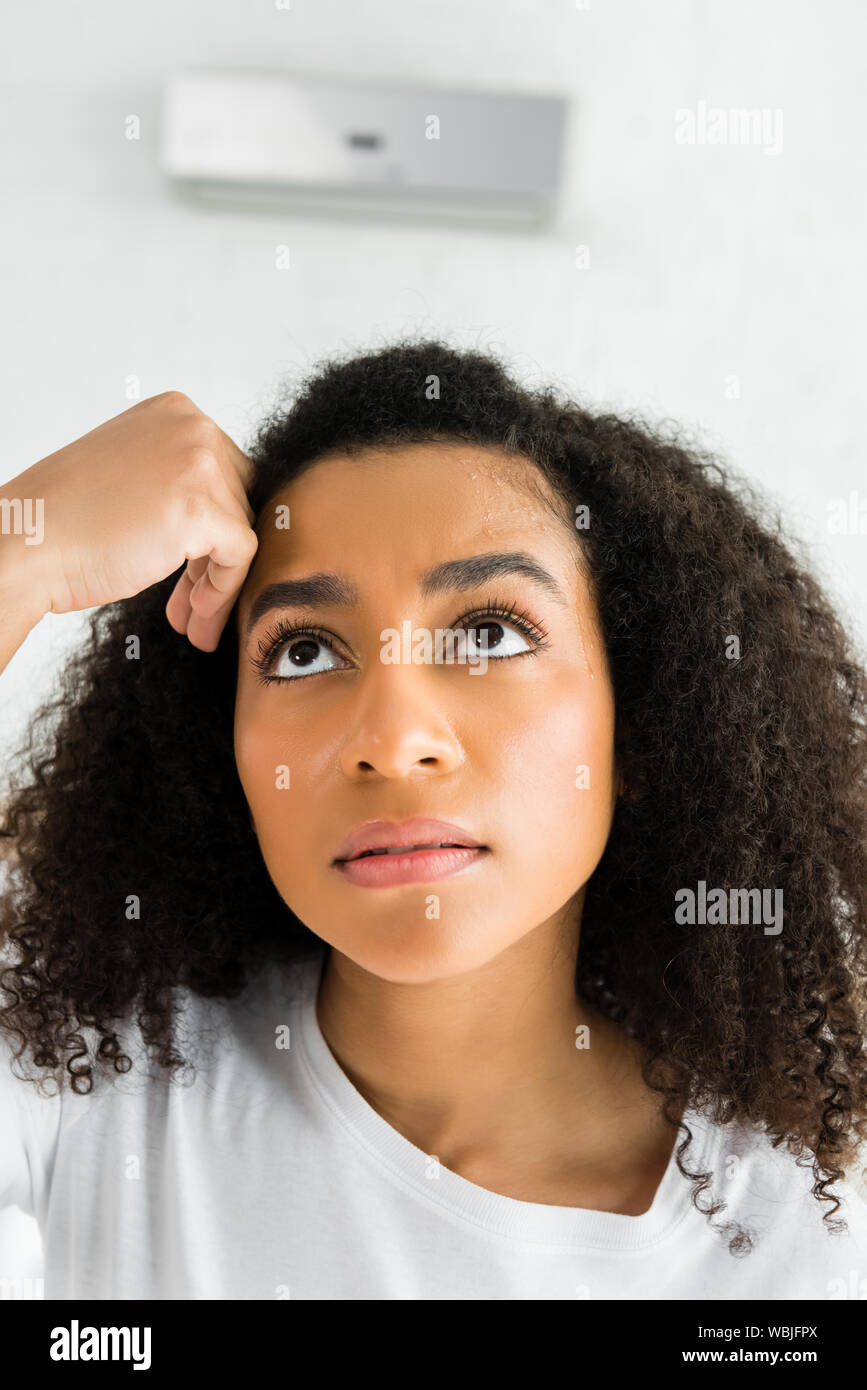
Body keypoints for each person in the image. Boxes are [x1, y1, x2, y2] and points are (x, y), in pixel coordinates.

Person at [1, 339, 866, 1300]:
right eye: (302, 653)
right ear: (226, 750)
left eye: (488, 634)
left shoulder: (797, 1236)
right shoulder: (89, 1066)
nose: (393, 739)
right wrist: (18, 548)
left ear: (643, 734)